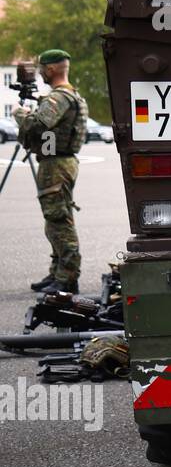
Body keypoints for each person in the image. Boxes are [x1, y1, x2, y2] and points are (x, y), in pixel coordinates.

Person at [14, 49, 88, 295]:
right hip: (58, 162)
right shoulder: (68, 95)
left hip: (56, 165)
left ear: (52, 69)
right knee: (54, 220)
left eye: (43, 68)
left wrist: (21, 115)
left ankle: (67, 277)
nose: (40, 73)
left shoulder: (59, 98)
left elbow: (37, 126)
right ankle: (58, 271)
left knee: (59, 220)